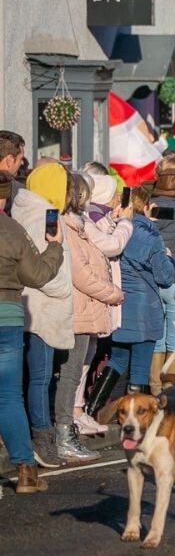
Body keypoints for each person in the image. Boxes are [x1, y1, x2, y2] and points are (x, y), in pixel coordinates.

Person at [0, 130, 66, 493]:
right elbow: (36, 274)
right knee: (8, 395)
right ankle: (26, 471)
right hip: (7, 314)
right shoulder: (13, 230)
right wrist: (54, 247)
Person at [14, 162, 74, 468]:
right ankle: (42, 439)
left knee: (22, 378)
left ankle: (28, 436)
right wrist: (64, 288)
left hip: (22, 305)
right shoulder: (45, 217)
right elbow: (48, 269)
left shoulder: (19, 210)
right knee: (39, 378)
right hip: (42, 307)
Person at [58, 173, 121, 464]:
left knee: (77, 370)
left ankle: (70, 426)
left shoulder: (78, 225)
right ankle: (64, 435)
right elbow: (81, 274)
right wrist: (111, 293)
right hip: (80, 308)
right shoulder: (68, 227)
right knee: (70, 374)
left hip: (88, 308)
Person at [110, 184, 175, 418]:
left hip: (117, 305)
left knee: (116, 360)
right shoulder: (150, 236)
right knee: (139, 368)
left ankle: (98, 408)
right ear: (147, 207)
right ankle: (134, 417)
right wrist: (169, 259)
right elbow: (165, 278)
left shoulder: (113, 228)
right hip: (143, 310)